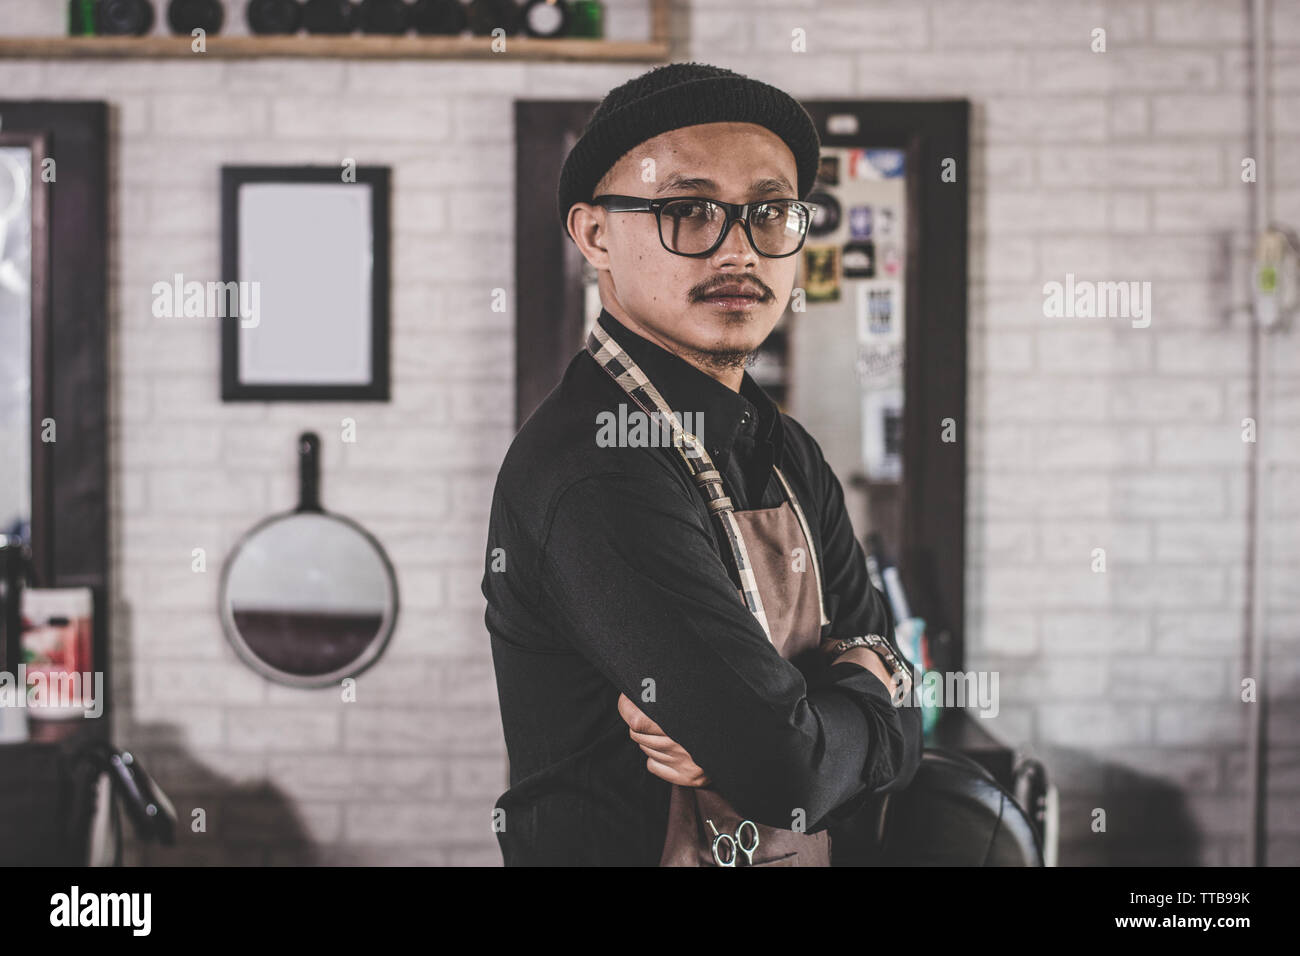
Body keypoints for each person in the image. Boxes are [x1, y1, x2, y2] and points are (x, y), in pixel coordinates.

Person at [482, 61, 923, 866]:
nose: (738, 251)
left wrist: (821, 711)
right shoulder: (596, 468)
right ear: (595, 235)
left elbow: (904, 718)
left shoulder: (787, 448)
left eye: (769, 213)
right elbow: (785, 772)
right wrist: (863, 686)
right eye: (688, 211)